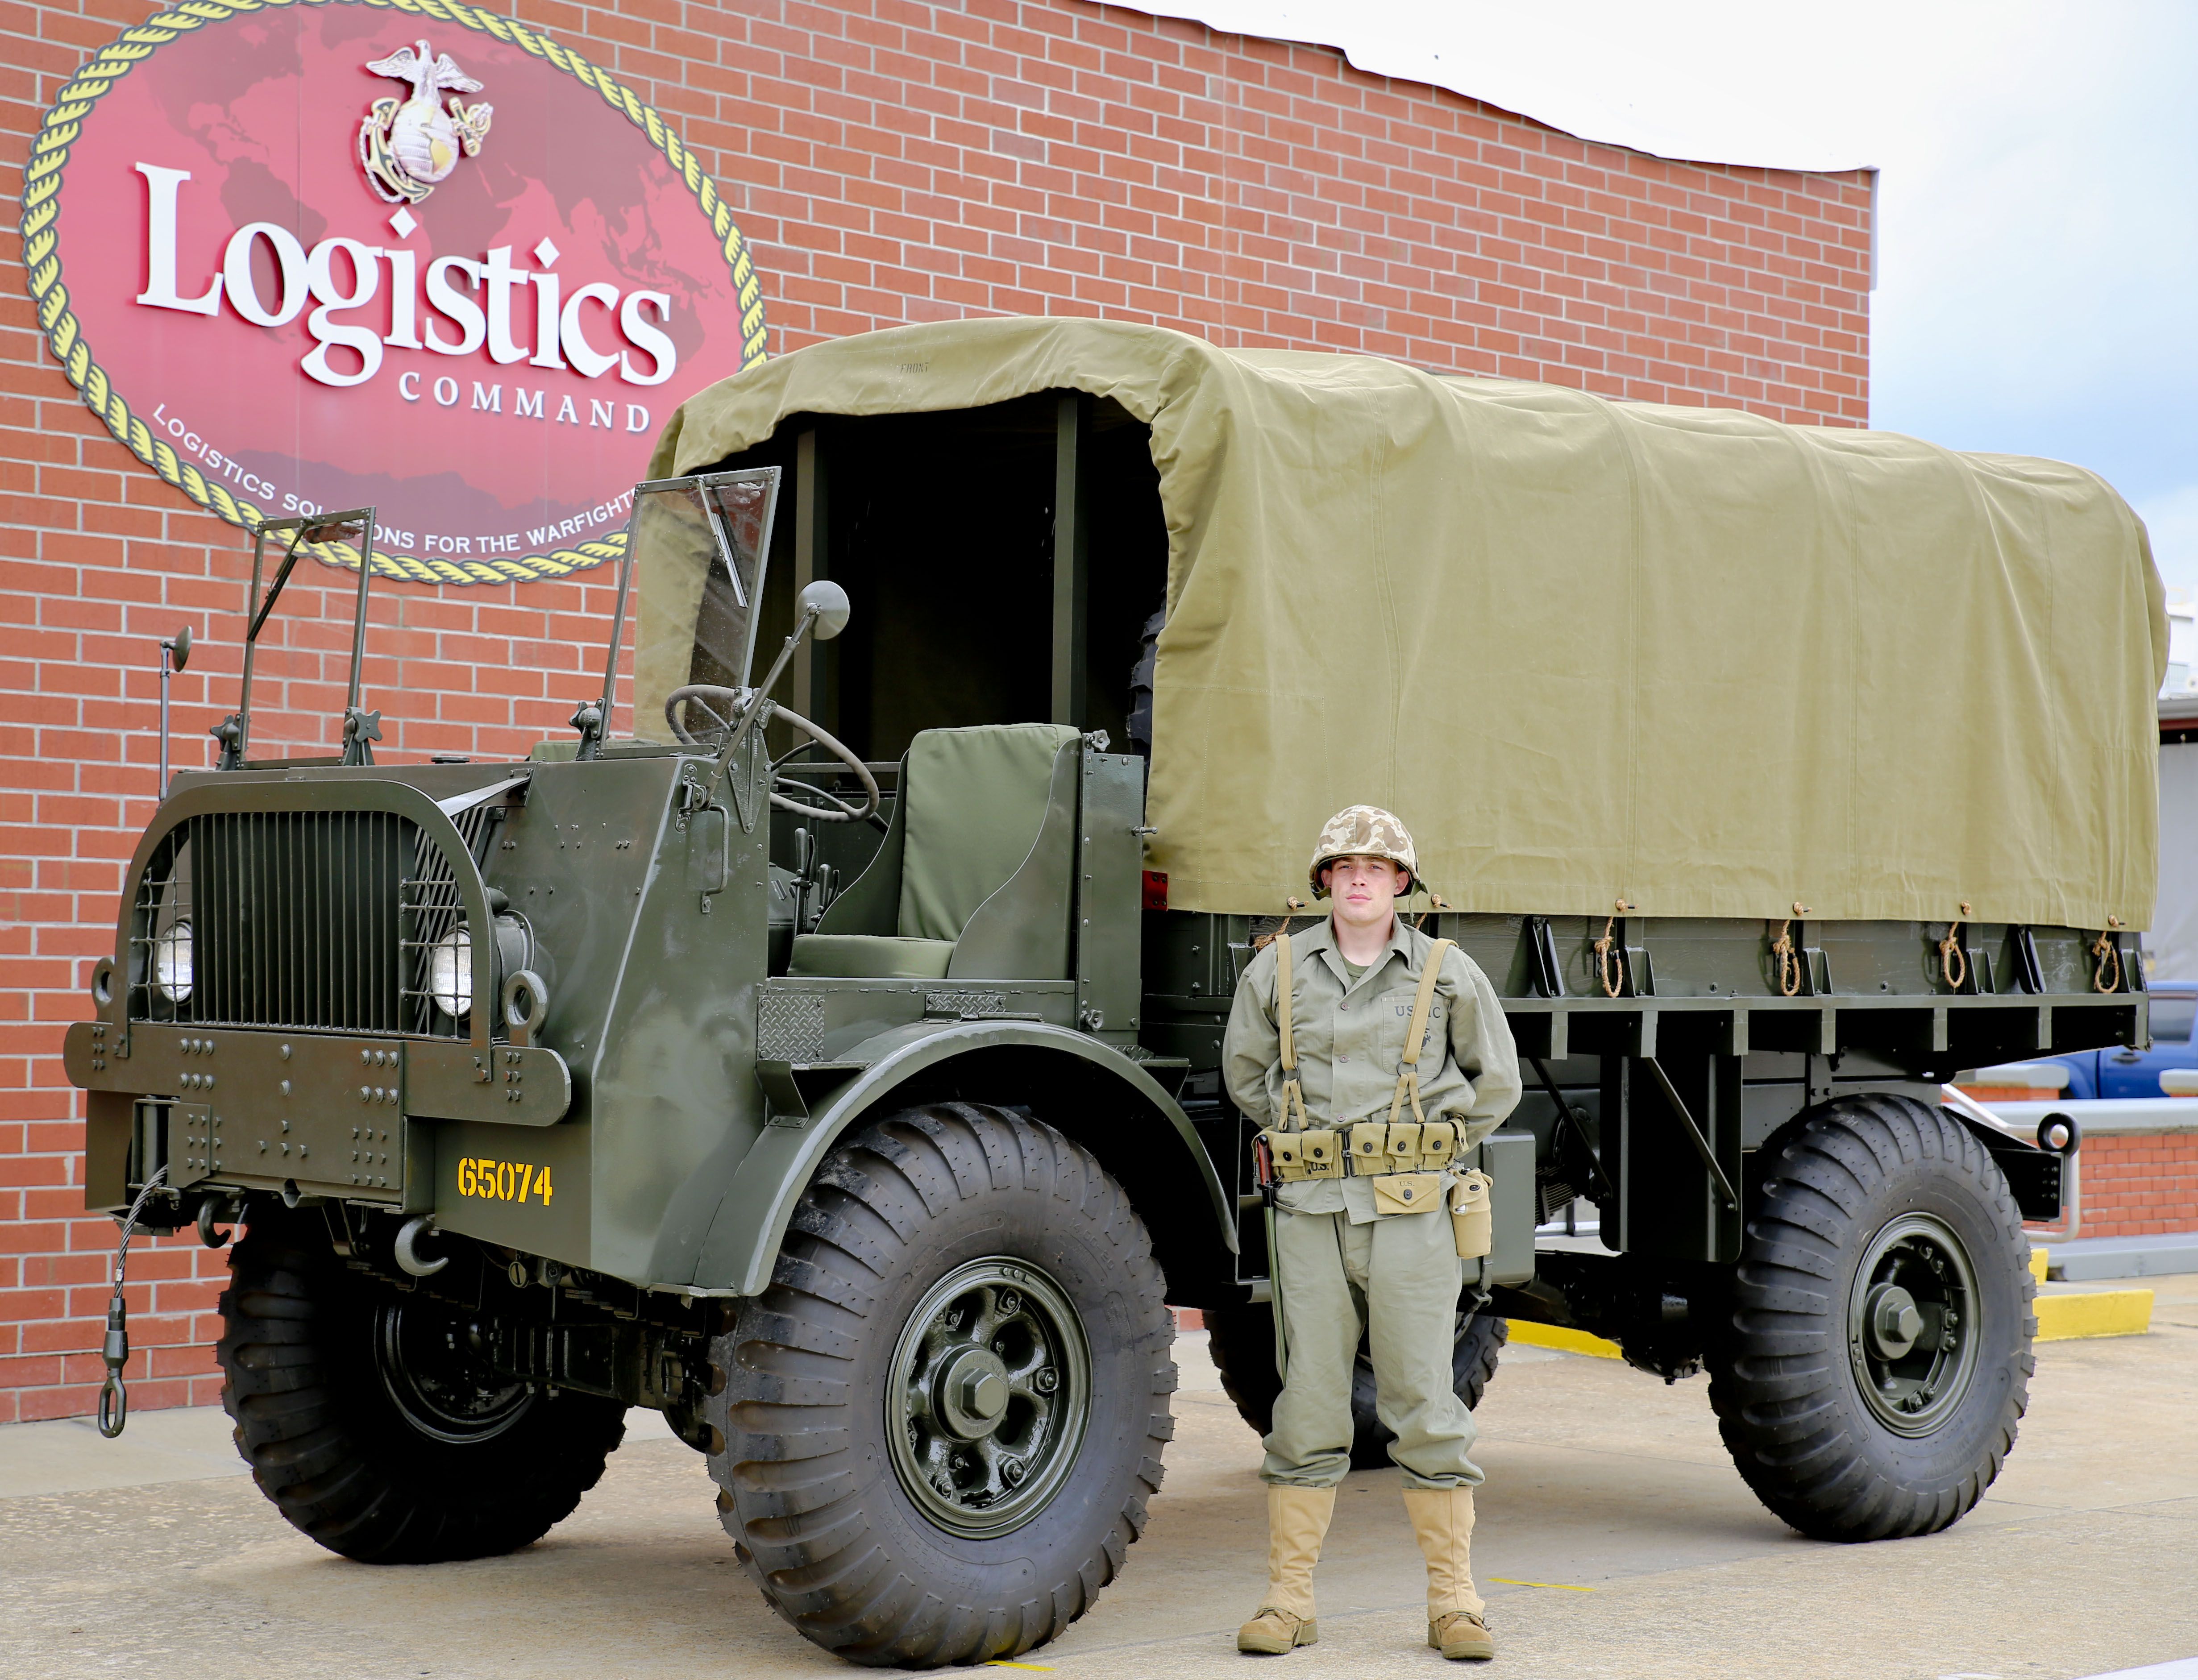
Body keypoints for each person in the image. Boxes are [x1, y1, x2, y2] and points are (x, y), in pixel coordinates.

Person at [1222, 805, 1522, 1662]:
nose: (1360, 877)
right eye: (1344, 865)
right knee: (1309, 1404)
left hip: (1412, 1215)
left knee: (1424, 1403)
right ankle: (1286, 1602)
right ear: (1324, 881)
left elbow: (1492, 1082)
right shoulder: (1276, 971)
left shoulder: (1446, 972)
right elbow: (1246, 1074)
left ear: (1401, 883)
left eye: (1378, 866)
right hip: (1311, 1214)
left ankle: (1455, 1603)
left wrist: (1432, 1148)